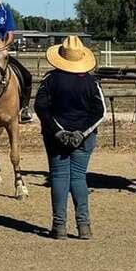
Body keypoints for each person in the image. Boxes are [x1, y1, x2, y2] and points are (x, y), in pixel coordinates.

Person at [34, 35, 107, 240]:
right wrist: (81, 133)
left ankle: (59, 226)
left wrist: (58, 131)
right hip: (84, 139)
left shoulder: (50, 79)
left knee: (59, 176)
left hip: (55, 137)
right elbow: (100, 112)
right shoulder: (92, 82)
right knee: (78, 177)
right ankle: (84, 226)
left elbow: (41, 107)